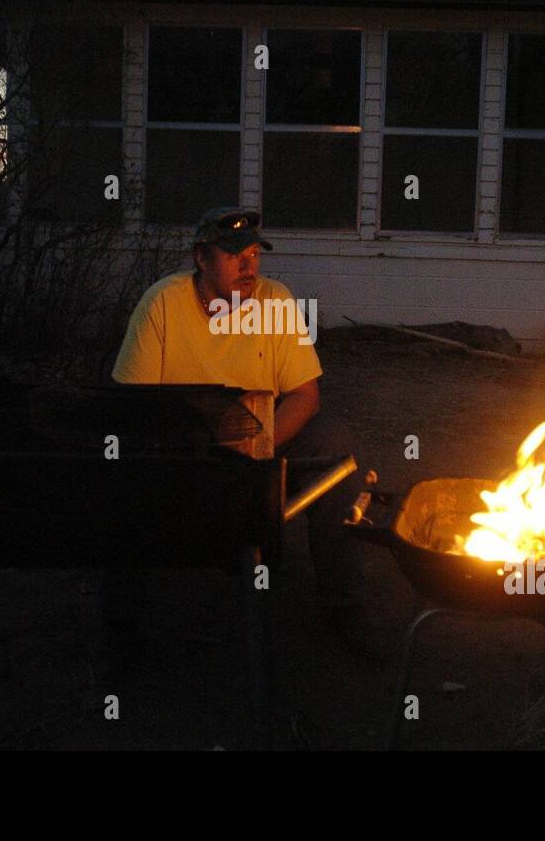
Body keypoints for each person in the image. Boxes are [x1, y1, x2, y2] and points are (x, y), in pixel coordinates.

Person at [109, 206, 378, 656]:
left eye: (254, 253)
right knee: (123, 473)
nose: (248, 266)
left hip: (262, 437)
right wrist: (194, 447)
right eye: (234, 254)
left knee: (336, 446)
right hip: (184, 445)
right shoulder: (162, 303)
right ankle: (122, 632)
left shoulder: (276, 301)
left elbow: (305, 397)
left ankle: (343, 607)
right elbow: (132, 406)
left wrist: (258, 446)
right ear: (202, 258)